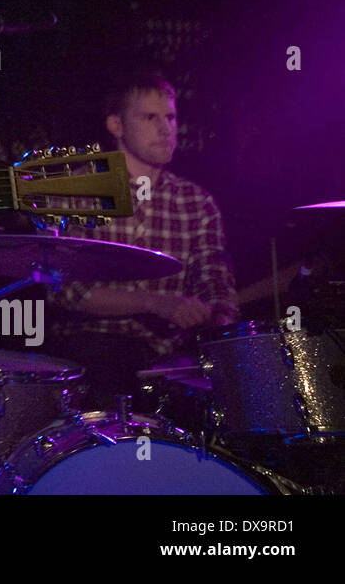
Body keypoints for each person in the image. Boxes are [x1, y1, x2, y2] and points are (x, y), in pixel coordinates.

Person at [48, 71, 238, 407]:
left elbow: (216, 283)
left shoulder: (196, 202)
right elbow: (67, 289)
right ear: (116, 126)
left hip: (171, 358)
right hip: (91, 353)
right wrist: (155, 303)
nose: (166, 129)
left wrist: (216, 314)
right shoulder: (76, 192)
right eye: (150, 118)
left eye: (171, 117)